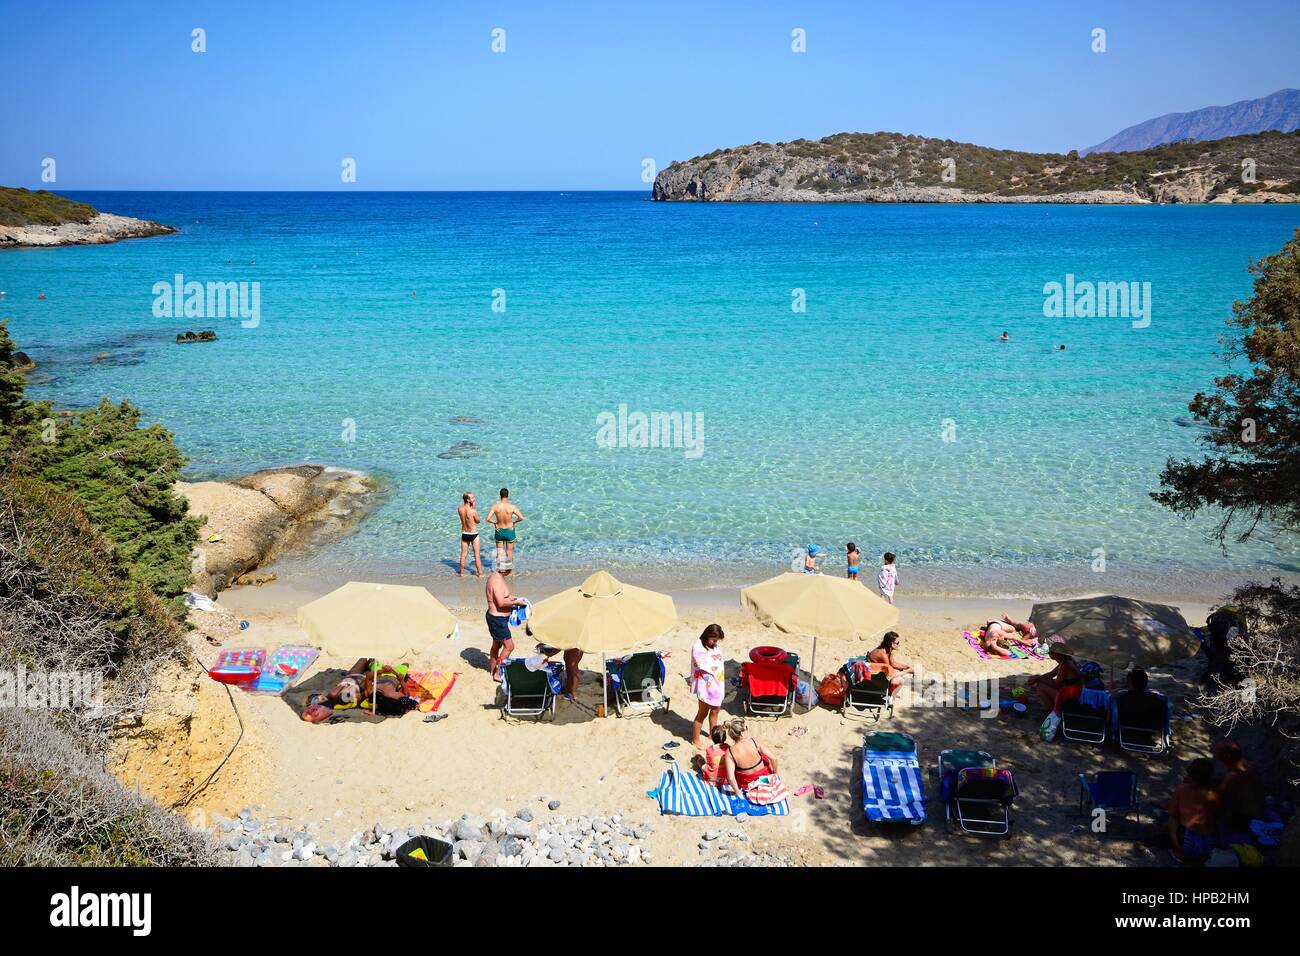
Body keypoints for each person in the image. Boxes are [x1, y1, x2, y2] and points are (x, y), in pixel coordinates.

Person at [1212, 739, 1266, 843]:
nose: (1213, 751)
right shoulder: (1245, 764)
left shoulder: (1232, 776)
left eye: (1217, 750)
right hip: (1257, 811)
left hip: (1245, 821)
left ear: (1227, 756)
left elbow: (1216, 799)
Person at [1169, 758, 1220, 865]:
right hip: (1209, 845)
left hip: (1187, 843)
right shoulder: (1215, 793)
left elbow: (1173, 813)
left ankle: (1179, 851)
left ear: (1190, 774)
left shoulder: (1181, 789)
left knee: (1172, 818)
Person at [485, 558, 529, 682]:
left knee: (497, 644)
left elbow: (503, 596)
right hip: (497, 619)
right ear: (505, 569)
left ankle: (493, 669)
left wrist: (511, 597)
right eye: (509, 569)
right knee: (509, 646)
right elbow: (500, 603)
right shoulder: (497, 581)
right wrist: (516, 602)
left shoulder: (497, 577)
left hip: (497, 619)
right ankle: (497, 674)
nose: (511, 571)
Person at [722, 717, 779, 795]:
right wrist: (775, 774)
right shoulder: (754, 741)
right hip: (765, 779)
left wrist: (738, 793)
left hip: (747, 785)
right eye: (746, 728)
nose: (747, 730)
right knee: (764, 758)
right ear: (742, 732)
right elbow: (773, 758)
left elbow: (731, 778)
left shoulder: (730, 752)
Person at [690, 624, 726, 744]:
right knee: (703, 713)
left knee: (715, 711)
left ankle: (712, 735)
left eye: (716, 641)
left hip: (717, 684)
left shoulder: (713, 646)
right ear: (707, 635)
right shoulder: (698, 647)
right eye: (714, 640)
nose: (715, 643)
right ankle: (696, 740)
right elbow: (700, 665)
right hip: (704, 685)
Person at [1026, 640, 1082, 712]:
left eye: (1051, 652)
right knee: (1038, 681)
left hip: (1071, 696)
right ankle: (1052, 704)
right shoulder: (1066, 660)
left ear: (1060, 655)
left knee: (1039, 686)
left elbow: (1056, 685)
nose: (1049, 653)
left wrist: (1038, 679)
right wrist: (1036, 678)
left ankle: (1050, 708)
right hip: (1071, 690)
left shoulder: (1065, 665)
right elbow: (1051, 674)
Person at [487, 487, 524, 564]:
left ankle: (499, 572)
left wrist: (495, 523)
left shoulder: (495, 506)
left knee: (499, 553)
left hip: (499, 530)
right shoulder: (512, 507)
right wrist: (514, 522)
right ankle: (509, 572)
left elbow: (488, 518)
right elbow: (521, 517)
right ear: (508, 496)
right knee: (509, 553)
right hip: (509, 530)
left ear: (500, 496)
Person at [457, 492, 483, 578]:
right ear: (468, 500)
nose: (474, 499)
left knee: (463, 554)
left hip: (464, 533)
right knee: (477, 555)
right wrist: (474, 508)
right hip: (473, 533)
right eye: (472, 498)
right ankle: (480, 574)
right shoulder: (472, 510)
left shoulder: (460, 508)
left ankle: (461, 573)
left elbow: (466, 518)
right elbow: (478, 521)